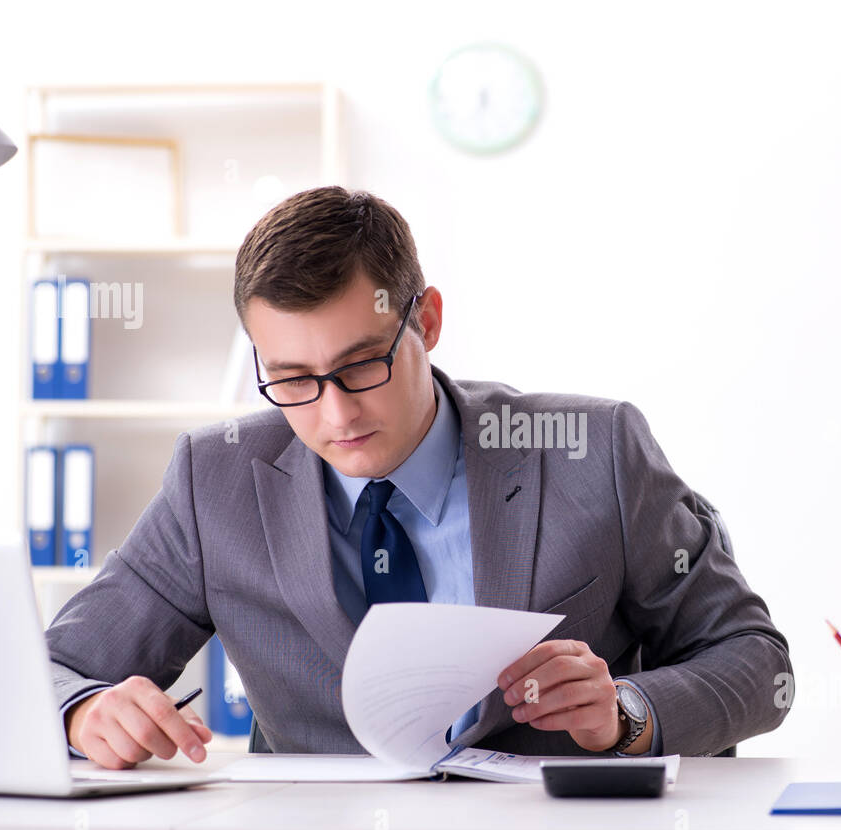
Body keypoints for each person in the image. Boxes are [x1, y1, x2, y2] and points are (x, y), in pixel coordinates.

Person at [49, 185, 793, 769]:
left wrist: (627, 711)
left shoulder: (591, 451)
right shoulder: (214, 481)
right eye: (292, 378)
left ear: (427, 321)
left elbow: (755, 660)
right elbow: (52, 667)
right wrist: (85, 712)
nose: (335, 413)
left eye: (361, 364)